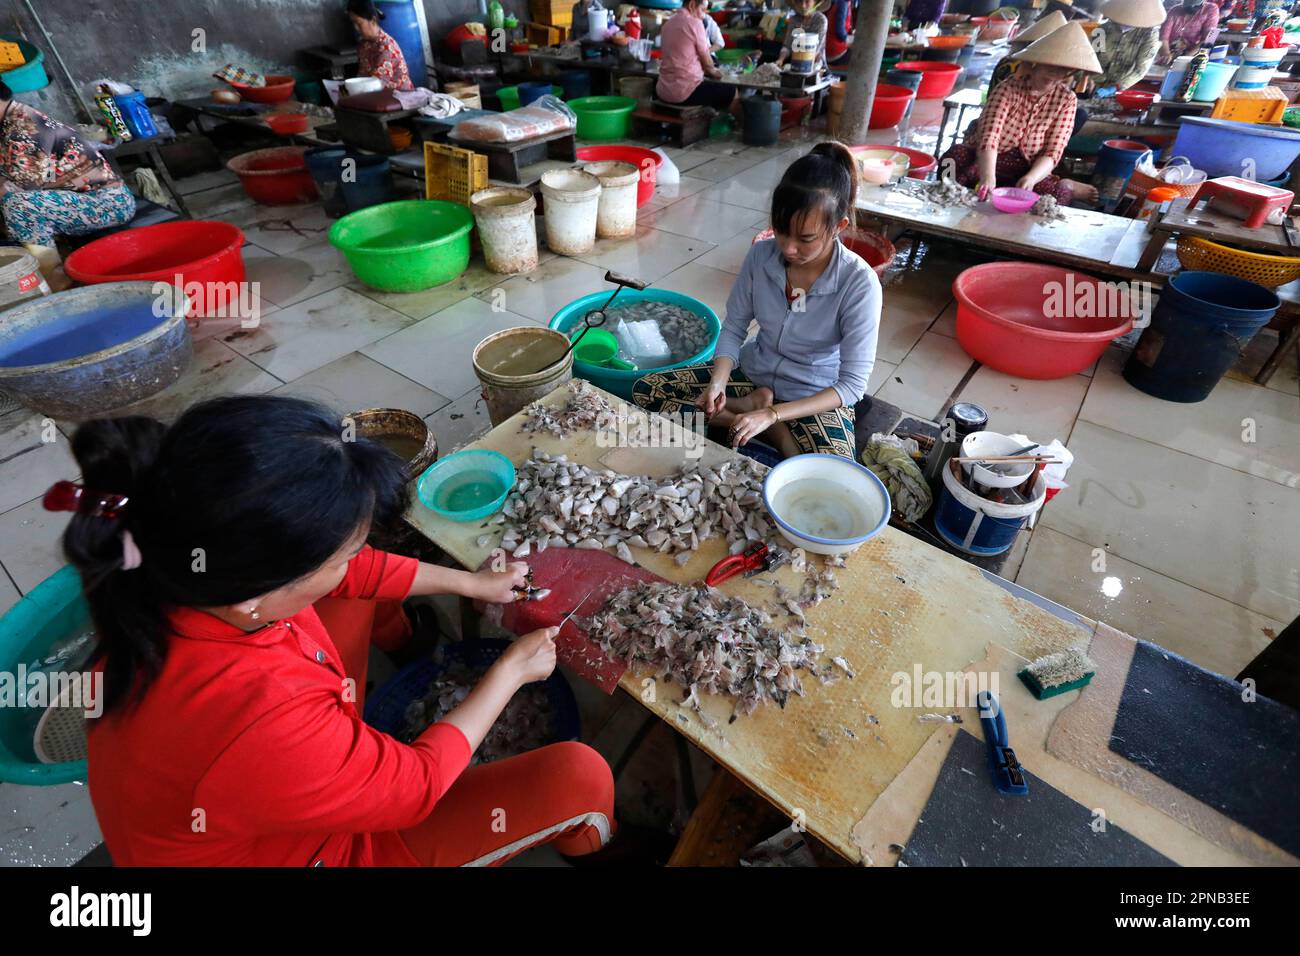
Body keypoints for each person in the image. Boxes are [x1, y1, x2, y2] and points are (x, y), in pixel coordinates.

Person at [61, 395, 616, 866]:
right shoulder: (254, 716)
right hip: (324, 851)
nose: (358, 558)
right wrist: (508, 673)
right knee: (579, 777)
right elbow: (416, 787)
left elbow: (359, 574)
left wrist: (472, 585)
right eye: (341, 552)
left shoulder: (177, 567)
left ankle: (410, 646)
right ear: (262, 587)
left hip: (262, 782)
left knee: (357, 594)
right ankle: (593, 847)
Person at [633, 143, 880, 460]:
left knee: (836, 471)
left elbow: (851, 386)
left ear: (838, 227)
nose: (788, 249)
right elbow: (735, 327)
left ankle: (764, 426)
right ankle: (751, 413)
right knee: (646, 392)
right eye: (781, 231)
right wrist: (719, 384)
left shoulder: (858, 283)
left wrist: (774, 416)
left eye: (805, 239)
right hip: (753, 373)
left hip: (813, 394)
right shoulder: (761, 256)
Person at [939, 23, 1102, 206]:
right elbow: (989, 138)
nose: (1054, 72)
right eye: (1048, 64)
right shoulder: (1007, 89)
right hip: (988, 159)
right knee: (951, 161)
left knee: (1056, 197)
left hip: (1028, 166)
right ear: (1035, 62)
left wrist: (1031, 179)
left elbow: (1054, 150)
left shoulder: (1067, 99)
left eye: (1062, 68)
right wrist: (988, 177)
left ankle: (1068, 185)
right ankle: (946, 204)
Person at [0, 79, 135, 290]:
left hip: (106, 204)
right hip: (71, 201)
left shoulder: (23, 128)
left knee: (19, 206)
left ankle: (58, 284)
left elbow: (21, 189)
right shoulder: (9, 121)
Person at [656, 0, 738, 112]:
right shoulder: (695, 23)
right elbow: (708, 63)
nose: (703, 15)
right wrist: (716, 72)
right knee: (732, 92)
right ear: (692, 5)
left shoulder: (668, 24)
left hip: (663, 90)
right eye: (702, 9)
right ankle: (737, 127)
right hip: (685, 93)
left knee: (712, 87)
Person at [1091, 0, 1167, 92]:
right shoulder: (1102, 29)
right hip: (1094, 83)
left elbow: (1141, 69)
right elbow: (1091, 57)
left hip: (1122, 86)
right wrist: (1088, 78)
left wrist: (1115, 88)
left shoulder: (1150, 35)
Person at [349, 0, 414, 92]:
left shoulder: (385, 47)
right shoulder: (364, 44)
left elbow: (376, 85)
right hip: (375, 97)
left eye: (359, 24)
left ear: (373, 20)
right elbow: (362, 77)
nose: (355, 28)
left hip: (399, 98)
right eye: (353, 23)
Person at [775, 0, 829, 72]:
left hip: (816, 65)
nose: (803, 5)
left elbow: (816, 49)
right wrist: (780, 60)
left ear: (815, 2)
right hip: (795, 64)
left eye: (807, 1)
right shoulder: (794, 19)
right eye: (799, 1)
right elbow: (787, 45)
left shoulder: (821, 20)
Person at [825, 0, 854, 65]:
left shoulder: (838, 2)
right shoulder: (843, 4)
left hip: (827, 49)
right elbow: (840, 34)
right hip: (833, 52)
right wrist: (852, 39)